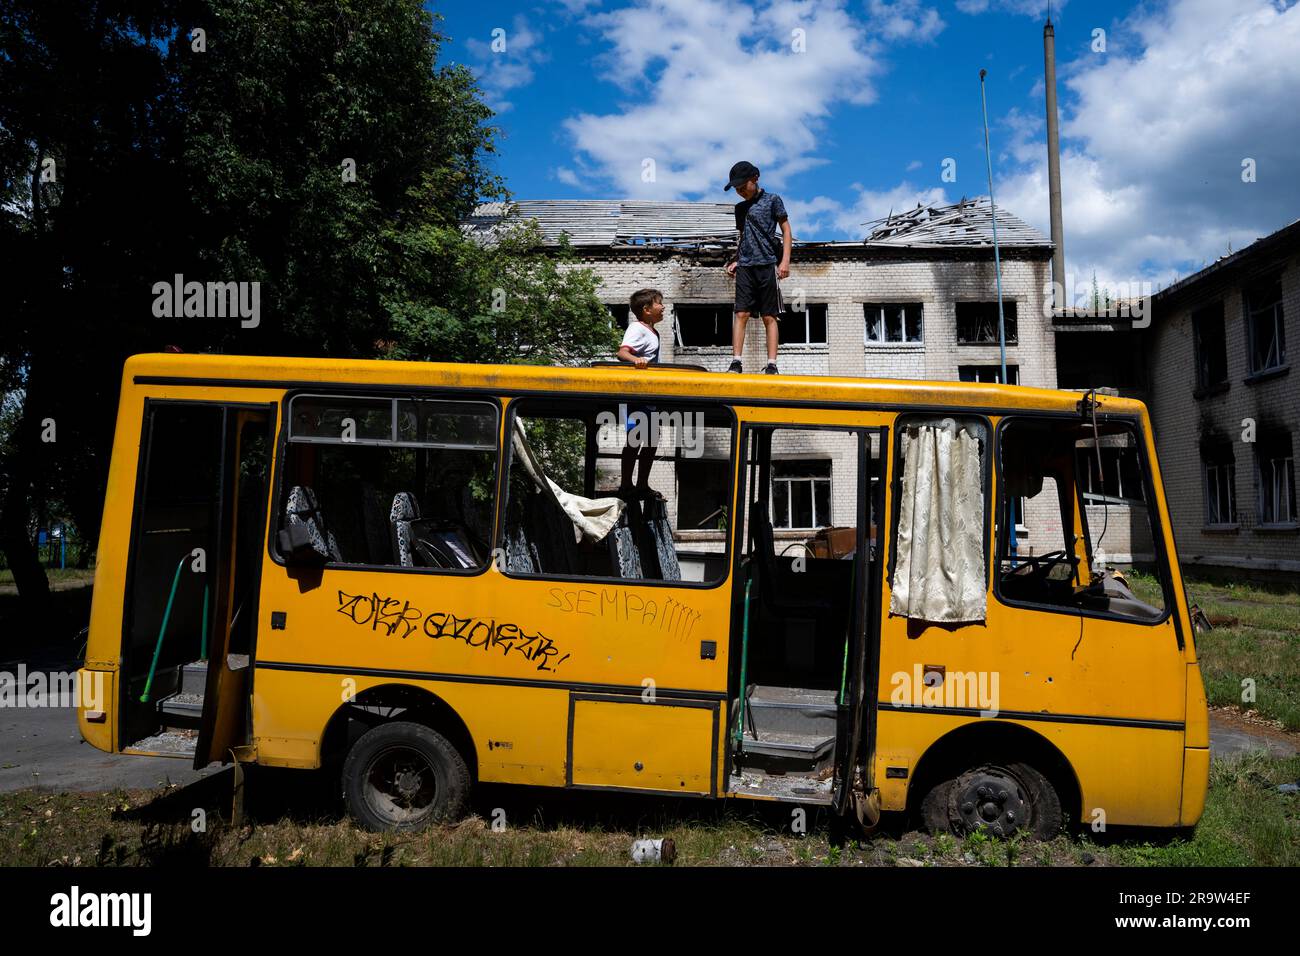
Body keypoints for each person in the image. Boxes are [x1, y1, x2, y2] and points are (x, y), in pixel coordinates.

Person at [723, 160, 791, 374]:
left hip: (768, 263)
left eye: (743, 187)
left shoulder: (773, 200)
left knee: (769, 316)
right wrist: (736, 259)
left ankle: (771, 364)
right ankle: (736, 361)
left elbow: (786, 230)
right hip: (746, 266)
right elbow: (744, 236)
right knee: (741, 313)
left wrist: (785, 261)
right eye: (736, 189)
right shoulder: (740, 208)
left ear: (755, 178)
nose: (740, 192)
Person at [616, 288, 664, 493]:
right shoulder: (637, 329)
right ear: (646, 309)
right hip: (638, 395)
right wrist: (637, 360)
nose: (663, 307)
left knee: (652, 439)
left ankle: (642, 484)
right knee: (635, 438)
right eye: (659, 303)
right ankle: (627, 484)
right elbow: (622, 352)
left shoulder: (652, 331)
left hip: (650, 395)